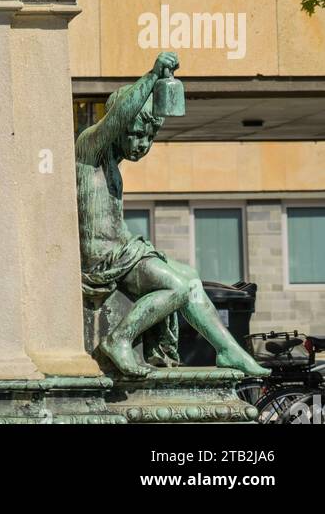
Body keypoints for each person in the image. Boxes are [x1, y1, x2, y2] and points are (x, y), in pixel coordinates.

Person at [76, 50, 268, 380]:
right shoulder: (88, 149)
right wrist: (152, 77)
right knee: (178, 287)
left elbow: (109, 221)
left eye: (148, 137)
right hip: (102, 262)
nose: (141, 144)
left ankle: (228, 351)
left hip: (123, 252)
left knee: (191, 276)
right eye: (135, 134)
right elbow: (118, 117)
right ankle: (118, 340)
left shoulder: (113, 168)